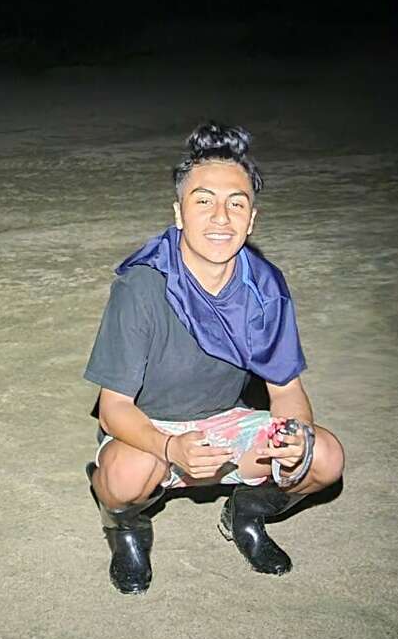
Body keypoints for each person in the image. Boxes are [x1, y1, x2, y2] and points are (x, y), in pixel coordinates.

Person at [82, 123, 345, 595]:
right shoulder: (141, 286)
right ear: (179, 213)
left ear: (252, 219)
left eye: (236, 203)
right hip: (151, 430)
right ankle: (125, 528)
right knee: (127, 477)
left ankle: (246, 513)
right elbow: (113, 407)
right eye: (203, 201)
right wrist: (170, 448)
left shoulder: (265, 288)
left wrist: (294, 439)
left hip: (226, 424)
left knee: (323, 457)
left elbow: (286, 391)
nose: (220, 217)